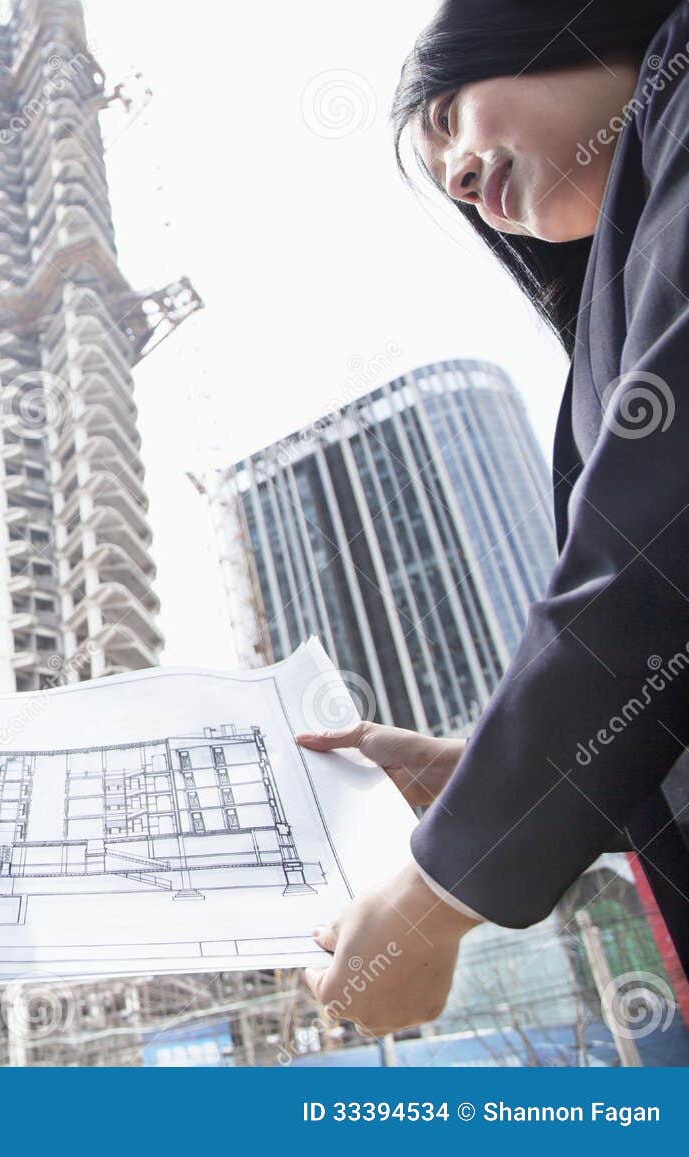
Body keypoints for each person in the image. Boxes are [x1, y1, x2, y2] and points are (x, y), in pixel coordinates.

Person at [300, 0, 689, 1036]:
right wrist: (472, 769)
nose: (463, 178)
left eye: (446, 121)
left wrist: (432, 898)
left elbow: (654, 564)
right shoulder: (622, 291)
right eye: (443, 180)